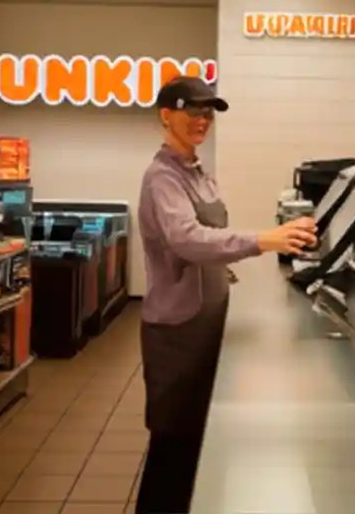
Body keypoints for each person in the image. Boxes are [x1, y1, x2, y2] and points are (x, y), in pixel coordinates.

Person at [134, 77, 317, 514]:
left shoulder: (196, 171)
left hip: (205, 320)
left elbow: (210, 241)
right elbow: (188, 239)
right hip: (178, 328)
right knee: (172, 442)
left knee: (195, 439)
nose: (202, 120)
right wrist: (264, 240)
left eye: (208, 112)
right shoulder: (162, 177)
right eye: (192, 111)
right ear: (165, 115)